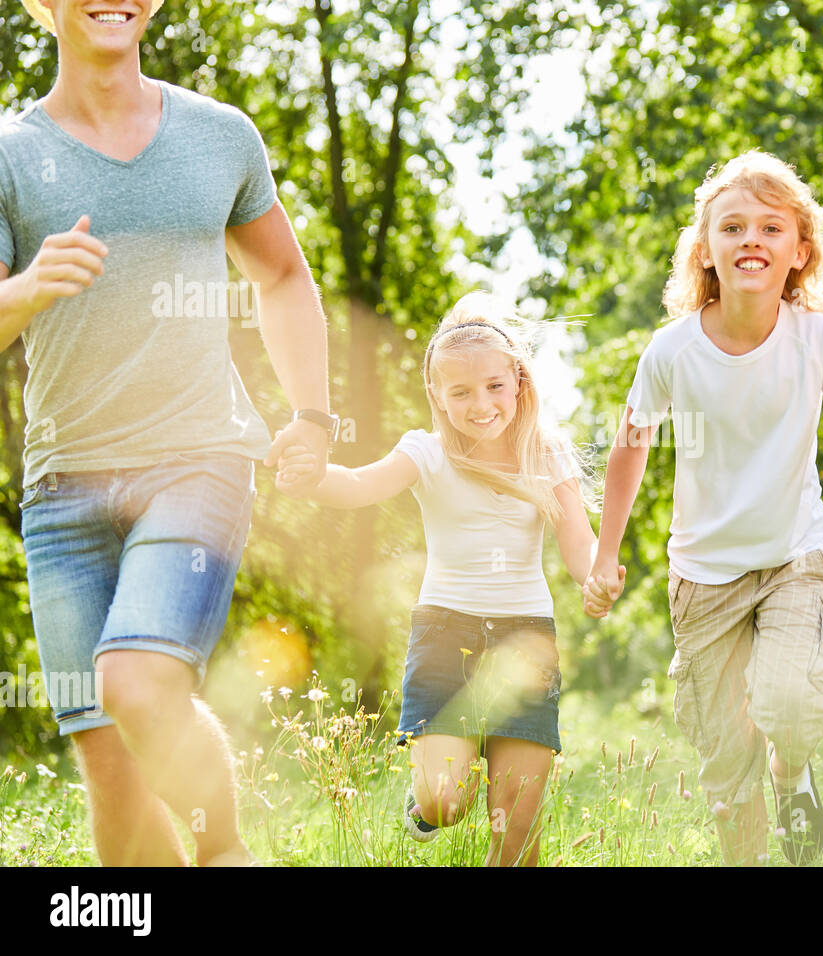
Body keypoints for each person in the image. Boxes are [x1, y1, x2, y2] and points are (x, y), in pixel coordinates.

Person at [0, 0, 332, 865]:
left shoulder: (219, 135)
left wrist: (313, 416)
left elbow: (284, 275)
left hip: (200, 458)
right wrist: (30, 287)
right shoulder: (10, 152)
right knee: (108, 764)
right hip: (61, 490)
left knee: (138, 683)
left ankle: (225, 855)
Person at [583, 151, 823, 866]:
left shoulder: (819, 339)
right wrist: (605, 555)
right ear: (705, 249)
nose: (751, 240)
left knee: (790, 706)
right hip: (703, 576)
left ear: (800, 252)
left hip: (794, 555)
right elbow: (630, 450)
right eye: (732, 227)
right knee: (727, 777)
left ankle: (792, 774)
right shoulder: (672, 351)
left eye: (771, 227)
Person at [277, 292, 612, 867]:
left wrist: (595, 579)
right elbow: (359, 485)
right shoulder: (426, 453)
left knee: (516, 825)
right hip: (443, 635)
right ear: (437, 395)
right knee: (446, 800)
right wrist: (313, 478)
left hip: (526, 638)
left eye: (494, 387)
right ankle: (426, 805)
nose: (480, 404)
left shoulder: (546, 454)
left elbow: (578, 542)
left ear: (519, 384)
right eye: (460, 392)